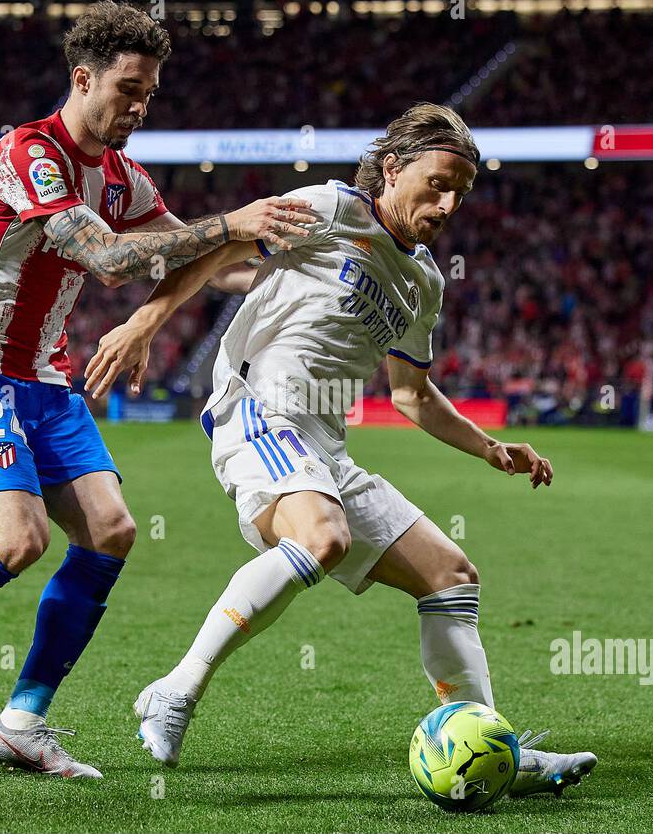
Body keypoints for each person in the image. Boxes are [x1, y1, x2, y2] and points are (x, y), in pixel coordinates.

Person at [0, 0, 315, 777]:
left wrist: (293, 280)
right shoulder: (30, 154)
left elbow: (186, 260)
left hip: (45, 380)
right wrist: (230, 223)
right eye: (126, 89)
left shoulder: (125, 176)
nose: (139, 108)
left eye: (149, 94)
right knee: (18, 542)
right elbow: (112, 255)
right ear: (81, 79)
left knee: (112, 530)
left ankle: (23, 721)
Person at [87, 102, 597, 797]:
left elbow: (412, 394)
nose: (448, 204)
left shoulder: (424, 283)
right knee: (321, 537)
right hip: (257, 413)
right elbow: (221, 251)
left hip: (323, 446)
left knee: (451, 577)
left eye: (461, 193)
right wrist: (144, 324)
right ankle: (175, 690)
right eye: (438, 183)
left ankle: (490, 745)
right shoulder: (327, 207)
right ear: (392, 168)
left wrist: (488, 448)